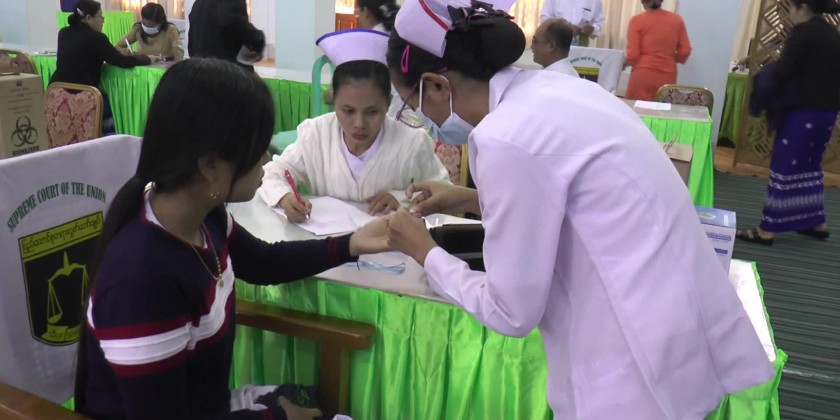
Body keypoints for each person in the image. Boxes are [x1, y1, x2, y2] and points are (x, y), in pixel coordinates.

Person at [383, 1, 775, 418]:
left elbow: (510, 311)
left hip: (629, 356)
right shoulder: (559, 88)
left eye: (411, 105)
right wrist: (465, 198)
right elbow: (571, 202)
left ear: (437, 86)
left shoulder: (504, 137)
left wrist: (425, 252)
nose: (420, 118)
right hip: (671, 323)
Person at [73, 57, 389, 419]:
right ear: (209, 165)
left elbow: (264, 264)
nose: (268, 160)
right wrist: (279, 416)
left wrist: (352, 243)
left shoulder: (203, 215)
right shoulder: (141, 282)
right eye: (258, 152)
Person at [259, 29, 449, 222]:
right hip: (326, 246)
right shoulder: (316, 134)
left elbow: (442, 192)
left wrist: (400, 199)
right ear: (334, 101)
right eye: (348, 111)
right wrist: (285, 197)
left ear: (388, 103)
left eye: (372, 112)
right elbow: (274, 172)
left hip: (390, 247)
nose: (359, 124)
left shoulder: (412, 143)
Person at [736, 0, 840, 245]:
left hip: (803, 112)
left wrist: (762, 83)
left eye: (791, 8)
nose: (790, 14)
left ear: (802, 8)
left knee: (784, 167)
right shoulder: (831, 33)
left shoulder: (802, 34)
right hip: (826, 114)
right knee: (810, 167)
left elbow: (784, 71)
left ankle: (767, 230)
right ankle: (816, 222)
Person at [51, 0, 156, 135]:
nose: (103, 21)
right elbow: (121, 61)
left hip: (58, 91)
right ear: (88, 18)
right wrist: (147, 59)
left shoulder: (63, 33)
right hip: (84, 94)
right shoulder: (96, 38)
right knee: (115, 107)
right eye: (101, 17)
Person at [624, 0, 692, 101]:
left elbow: (632, 55)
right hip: (667, 75)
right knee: (662, 111)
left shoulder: (637, 20)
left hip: (642, 74)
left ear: (643, 2)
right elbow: (685, 51)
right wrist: (670, 58)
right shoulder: (677, 20)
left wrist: (623, 64)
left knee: (636, 112)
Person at [188, 0, 265, 69]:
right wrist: (258, 39)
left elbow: (191, 45)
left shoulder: (198, 3)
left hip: (200, 71)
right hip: (227, 73)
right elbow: (234, 23)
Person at [116, 3, 184, 61]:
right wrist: (130, 53)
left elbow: (179, 53)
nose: (146, 27)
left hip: (165, 68)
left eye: (151, 26)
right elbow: (118, 46)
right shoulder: (138, 28)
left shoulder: (170, 29)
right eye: (144, 24)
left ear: (161, 22)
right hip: (145, 67)